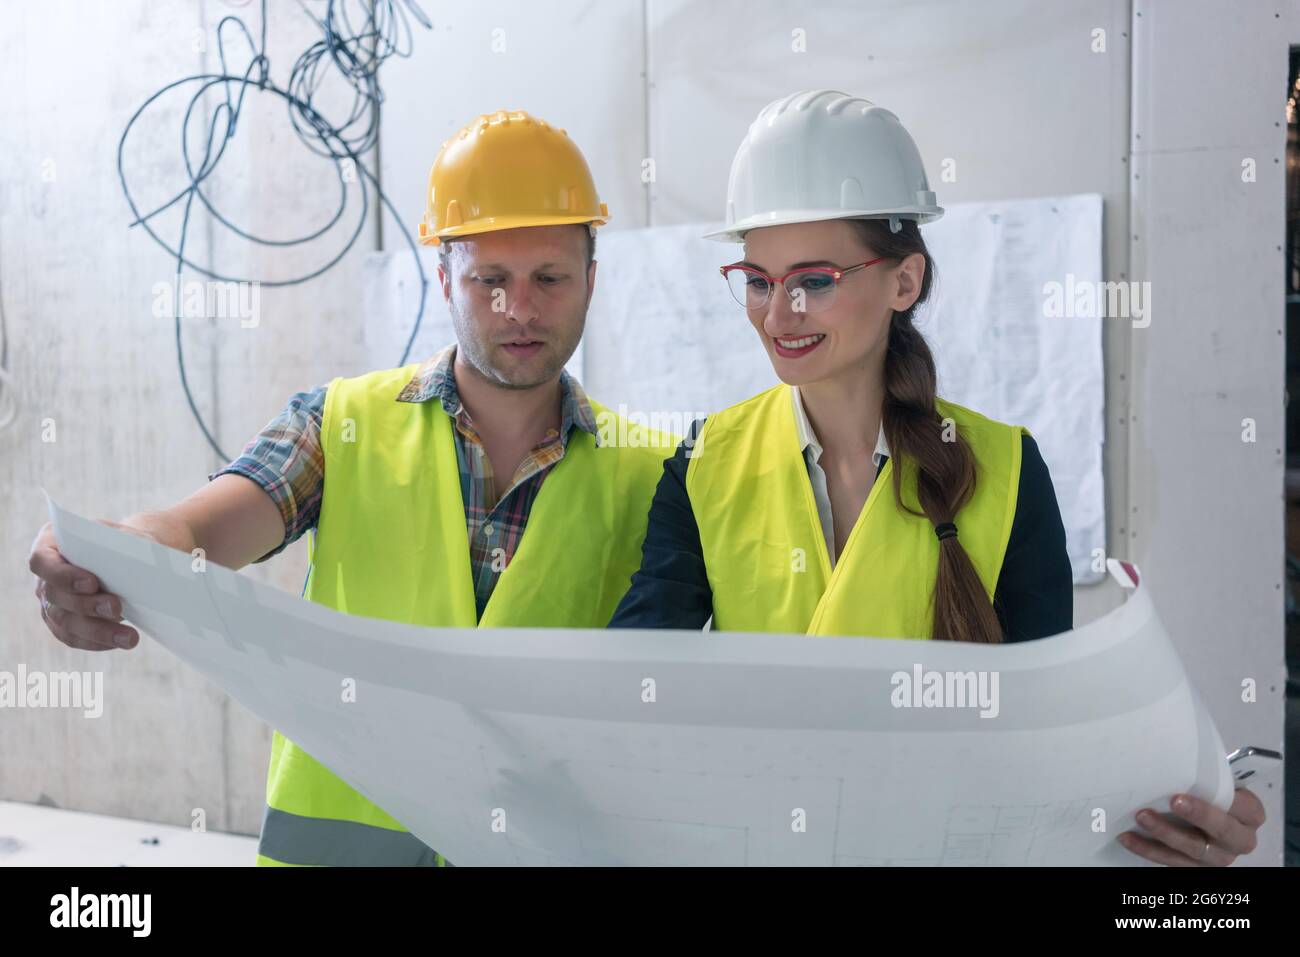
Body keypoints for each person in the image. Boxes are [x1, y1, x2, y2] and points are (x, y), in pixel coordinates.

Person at [609, 89, 1264, 865]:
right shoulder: (702, 465)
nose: (778, 313)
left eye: (814, 279)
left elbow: (1047, 740)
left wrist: (1175, 813)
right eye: (757, 278)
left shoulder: (1007, 469)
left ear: (904, 281)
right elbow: (631, 699)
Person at [28, 109, 675, 866]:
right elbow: (197, 532)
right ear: (444, 277)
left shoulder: (653, 472)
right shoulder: (340, 425)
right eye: (489, 279)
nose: (520, 308)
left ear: (592, 279)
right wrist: (107, 554)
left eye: (550, 278)